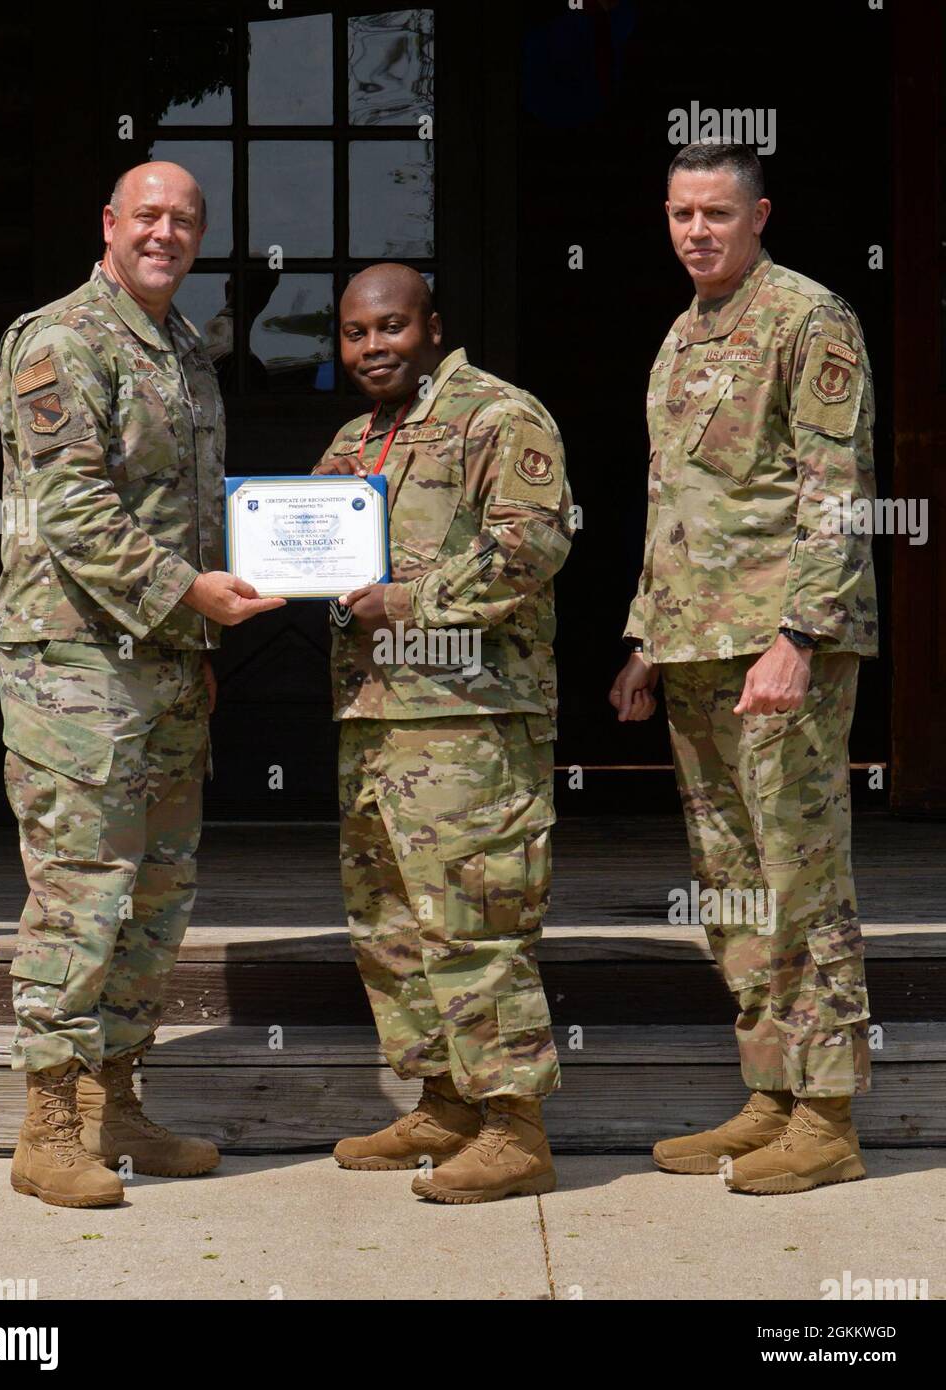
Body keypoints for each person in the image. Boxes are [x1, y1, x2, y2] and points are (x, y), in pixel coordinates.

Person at [0, 161, 283, 1208]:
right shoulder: (61, 340)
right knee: (80, 891)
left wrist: (191, 644)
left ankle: (116, 1100)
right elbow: (72, 510)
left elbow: (188, 511)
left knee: (154, 895)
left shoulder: (183, 347)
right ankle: (49, 1123)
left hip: (161, 663)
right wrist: (186, 597)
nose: (165, 232)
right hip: (73, 665)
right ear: (108, 223)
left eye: (183, 220)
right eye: (146, 215)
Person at [610, 142, 878, 1195]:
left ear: (759, 214)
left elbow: (835, 489)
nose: (695, 232)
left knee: (801, 876)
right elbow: (675, 500)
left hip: (776, 651)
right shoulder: (681, 335)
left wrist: (800, 636)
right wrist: (643, 636)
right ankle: (768, 1090)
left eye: (716, 213)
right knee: (732, 883)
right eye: (680, 213)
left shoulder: (808, 318)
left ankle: (828, 1114)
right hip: (692, 646)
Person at [313, 263, 574, 1203]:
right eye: (353, 333)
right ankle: (441, 1102)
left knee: (475, 918)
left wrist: (409, 600)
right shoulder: (356, 440)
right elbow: (304, 541)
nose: (371, 346)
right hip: (375, 719)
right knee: (387, 923)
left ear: (431, 326)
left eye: (389, 326)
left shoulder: (498, 417)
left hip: (470, 720)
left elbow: (532, 546)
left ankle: (514, 1125)